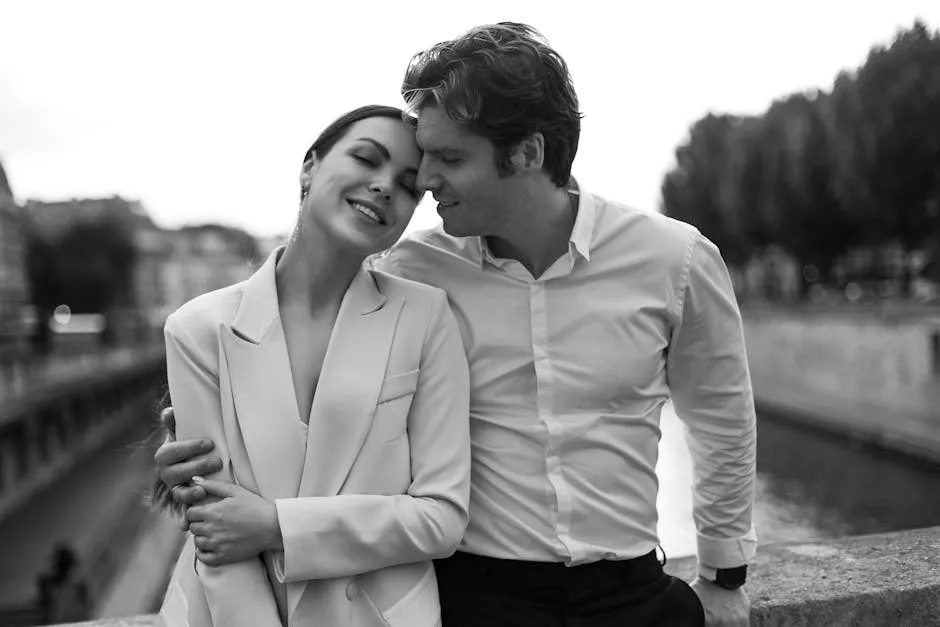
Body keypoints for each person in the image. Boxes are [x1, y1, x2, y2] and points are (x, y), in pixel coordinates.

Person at [155, 23, 757, 627]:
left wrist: (723, 575)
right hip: (474, 597)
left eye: (448, 158)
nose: (423, 180)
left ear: (526, 153)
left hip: (632, 593)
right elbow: (293, 371)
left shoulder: (675, 259)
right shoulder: (405, 269)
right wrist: (188, 449)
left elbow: (720, 419)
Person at [153, 104, 471, 627]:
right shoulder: (196, 329)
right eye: (366, 159)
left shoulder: (426, 315)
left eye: (409, 186)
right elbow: (217, 537)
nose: (385, 186)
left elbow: (441, 517)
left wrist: (278, 526)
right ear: (309, 167)